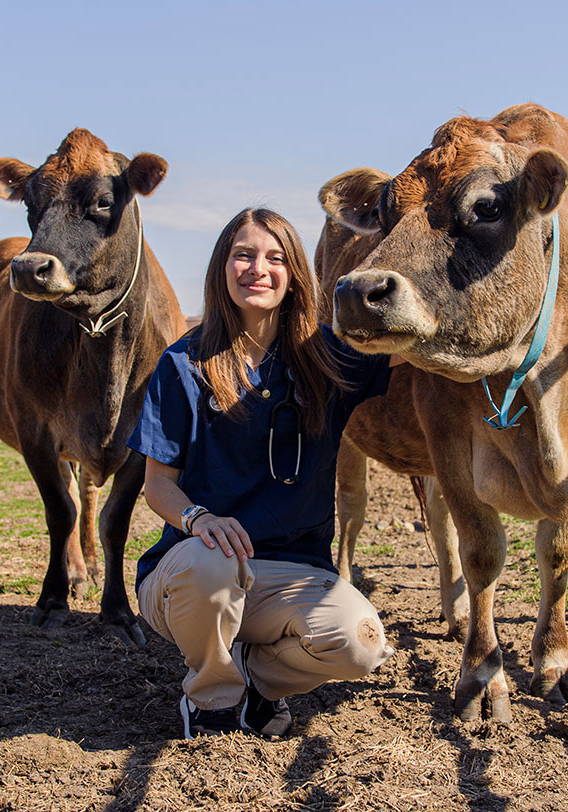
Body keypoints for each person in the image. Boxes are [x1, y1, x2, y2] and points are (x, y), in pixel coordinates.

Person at [127, 208, 395, 740]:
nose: (258, 269)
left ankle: (257, 680)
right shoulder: (184, 363)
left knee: (360, 643)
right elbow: (156, 484)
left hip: (291, 574)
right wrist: (197, 518)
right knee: (212, 561)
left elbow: (422, 343)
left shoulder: (331, 357)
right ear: (222, 268)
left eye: (275, 258)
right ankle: (212, 699)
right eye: (243, 255)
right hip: (194, 577)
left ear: (294, 273)